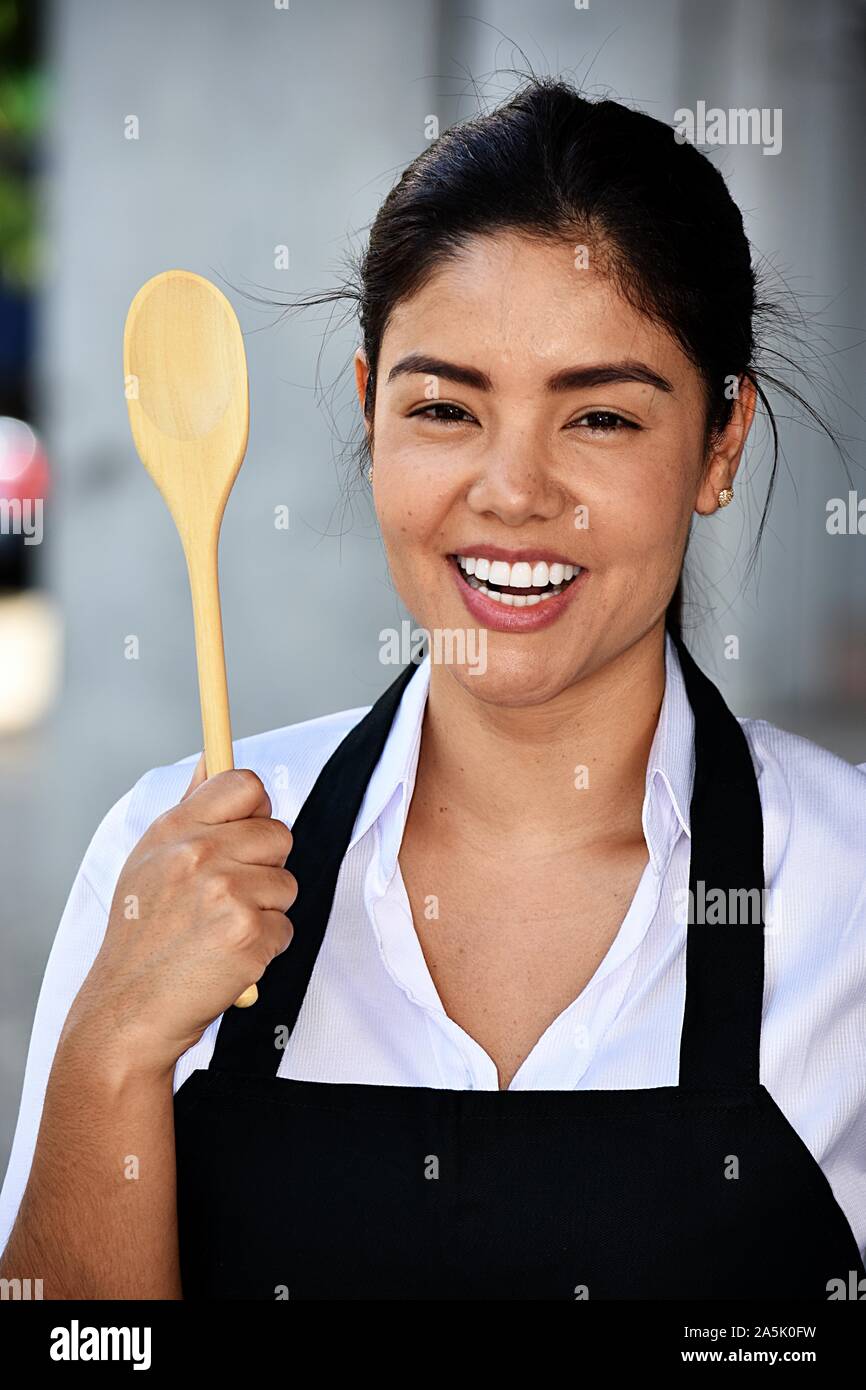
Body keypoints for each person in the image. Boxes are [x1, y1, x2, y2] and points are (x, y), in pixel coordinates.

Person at [1, 77, 864, 1301]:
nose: (512, 490)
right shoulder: (169, 853)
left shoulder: (848, 886)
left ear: (720, 443)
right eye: (446, 406)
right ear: (370, 416)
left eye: (601, 417)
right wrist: (107, 1054)